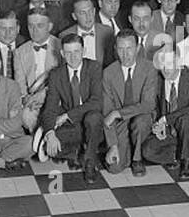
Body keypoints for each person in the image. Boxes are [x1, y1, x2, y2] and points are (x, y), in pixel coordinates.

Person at [39, 32, 104, 183]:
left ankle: (89, 162)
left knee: (93, 117)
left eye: (76, 52)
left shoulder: (94, 67)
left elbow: (96, 102)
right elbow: (50, 107)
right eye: (68, 53)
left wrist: (67, 115)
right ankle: (81, 150)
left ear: (84, 51)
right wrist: (50, 133)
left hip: (91, 121)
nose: (73, 57)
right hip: (73, 125)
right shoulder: (56, 74)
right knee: (51, 148)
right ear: (62, 53)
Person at [101, 29, 157, 175]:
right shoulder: (108, 73)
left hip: (142, 117)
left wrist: (118, 113)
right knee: (114, 168)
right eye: (121, 49)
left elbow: (148, 104)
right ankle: (127, 148)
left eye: (129, 48)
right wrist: (113, 145)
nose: (125, 54)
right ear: (115, 49)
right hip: (121, 122)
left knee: (140, 122)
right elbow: (107, 113)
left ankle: (137, 159)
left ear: (137, 48)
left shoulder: (149, 68)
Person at [143, 48, 189, 179]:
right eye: (162, 64)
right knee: (147, 151)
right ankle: (177, 154)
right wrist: (157, 125)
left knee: (186, 120)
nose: (166, 69)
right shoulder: (158, 80)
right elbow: (154, 107)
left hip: (187, 130)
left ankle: (187, 160)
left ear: (179, 62)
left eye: (169, 63)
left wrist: (166, 119)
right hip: (169, 131)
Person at [15, 10, 60, 130]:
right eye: (31, 26)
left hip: (56, 98)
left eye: (40, 25)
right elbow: (19, 83)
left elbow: (63, 80)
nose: (34, 30)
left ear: (49, 26)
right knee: (26, 115)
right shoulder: (20, 52)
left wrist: (42, 96)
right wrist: (26, 98)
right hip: (32, 102)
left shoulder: (61, 47)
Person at [60, 0, 115, 68]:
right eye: (83, 13)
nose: (88, 16)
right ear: (74, 16)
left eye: (90, 11)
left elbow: (111, 63)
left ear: (94, 11)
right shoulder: (65, 35)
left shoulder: (107, 32)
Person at [0, 11, 26, 85]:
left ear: (18, 29)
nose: (7, 33)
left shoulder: (26, 45)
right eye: (3, 28)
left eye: (11, 28)